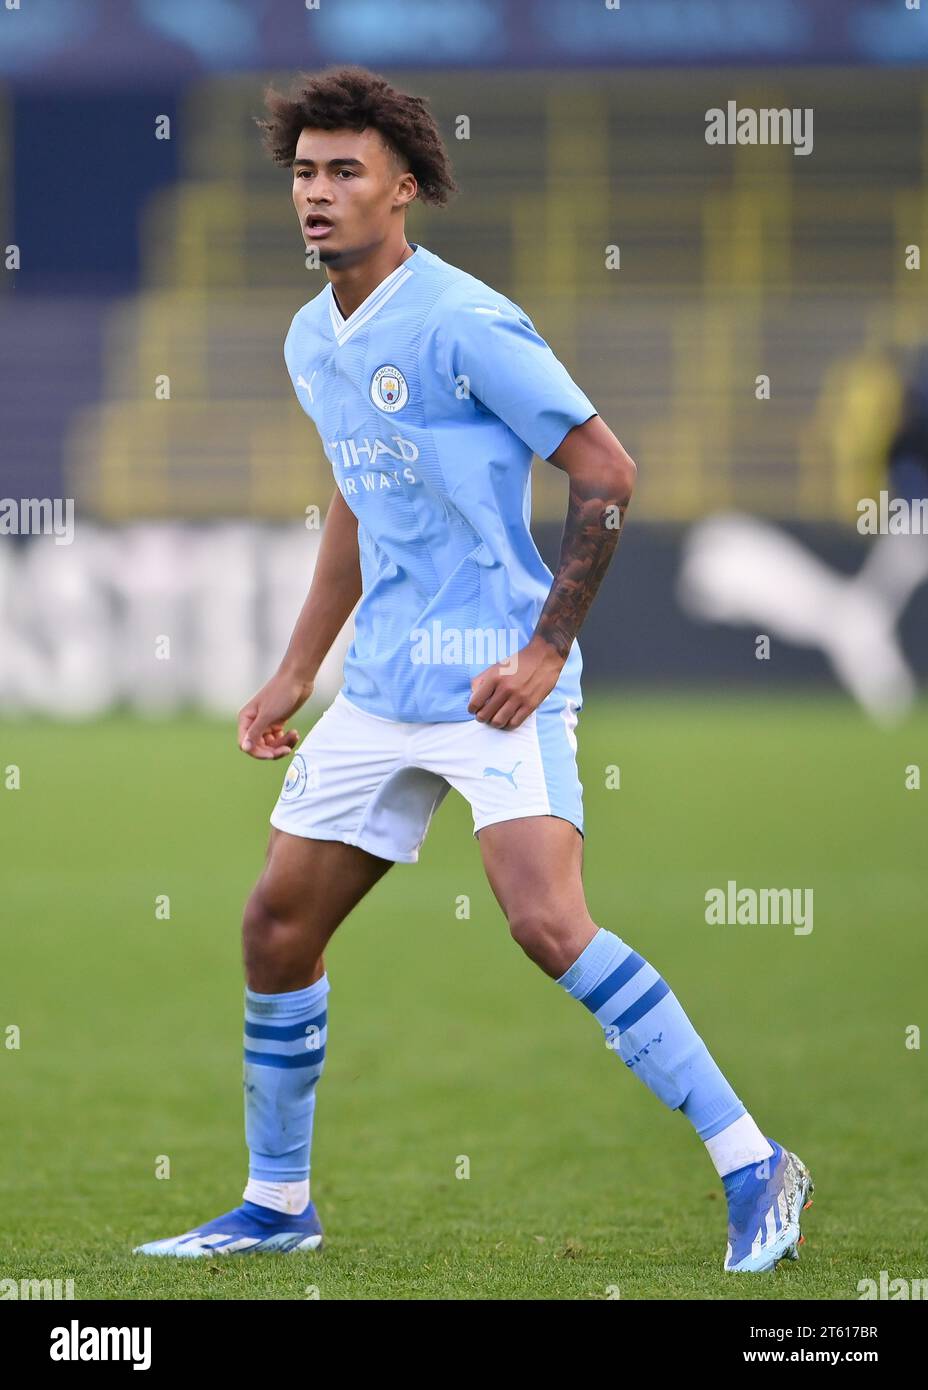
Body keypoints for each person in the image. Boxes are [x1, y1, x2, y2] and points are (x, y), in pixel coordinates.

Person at [134, 66, 812, 1272]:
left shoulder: (466, 321)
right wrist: (298, 670)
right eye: (303, 173)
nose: (318, 195)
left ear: (403, 188)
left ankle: (753, 1160)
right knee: (275, 929)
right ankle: (277, 1204)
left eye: (345, 172)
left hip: (497, 676)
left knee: (546, 921)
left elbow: (607, 471)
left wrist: (546, 649)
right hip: (384, 688)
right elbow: (356, 498)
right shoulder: (311, 337)